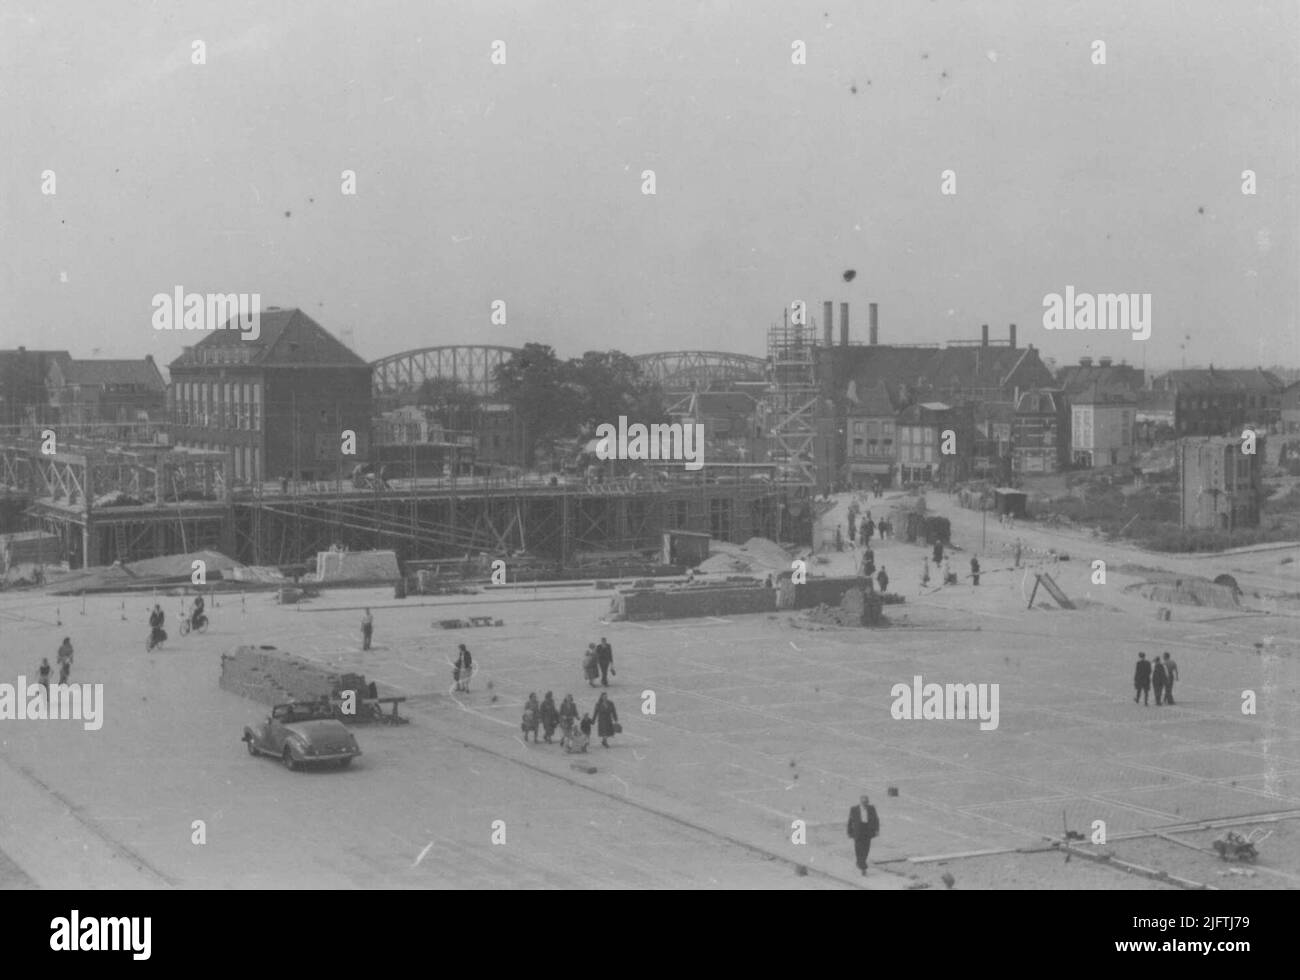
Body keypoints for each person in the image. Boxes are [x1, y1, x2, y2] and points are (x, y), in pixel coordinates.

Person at [846, 794, 880, 876]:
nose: (865, 804)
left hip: (867, 830)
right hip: (858, 830)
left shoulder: (871, 808)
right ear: (861, 802)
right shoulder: (854, 809)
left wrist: (876, 830)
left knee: (866, 848)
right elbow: (850, 821)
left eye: (866, 802)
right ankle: (862, 865)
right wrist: (849, 832)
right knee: (858, 848)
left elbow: (876, 819)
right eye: (864, 802)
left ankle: (861, 862)